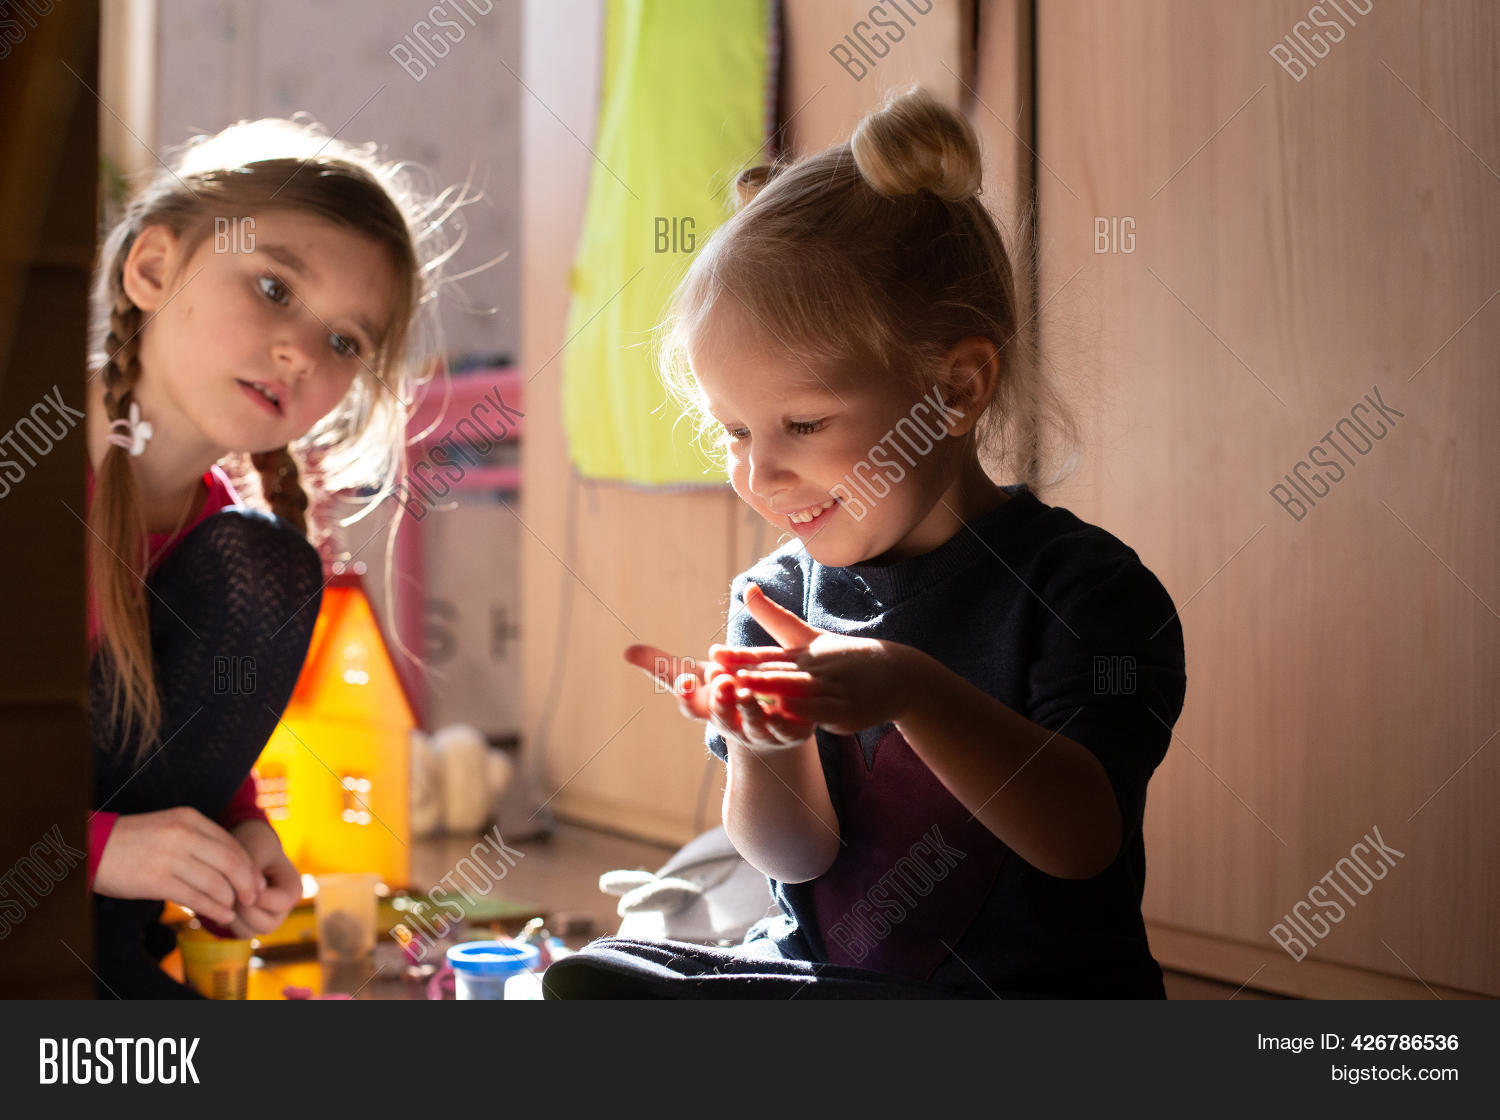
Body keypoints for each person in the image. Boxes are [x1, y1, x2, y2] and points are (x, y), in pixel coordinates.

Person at [545, 88, 1188, 999]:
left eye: (802, 423)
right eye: (734, 432)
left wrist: (911, 688)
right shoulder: (773, 596)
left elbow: (1082, 840)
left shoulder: (1083, 590)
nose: (758, 475)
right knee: (599, 977)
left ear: (954, 390)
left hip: (1025, 1001)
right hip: (835, 980)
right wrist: (766, 743)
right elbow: (793, 858)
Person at [85, 116, 462, 997]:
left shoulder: (224, 542)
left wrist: (241, 829)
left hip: (81, 918)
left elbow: (158, 738)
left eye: (344, 343)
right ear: (153, 269)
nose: (300, 350)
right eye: (273, 287)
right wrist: (105, 850)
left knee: (268, 564)